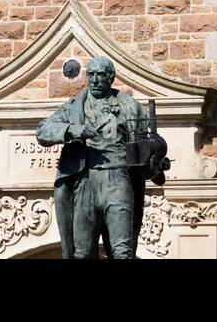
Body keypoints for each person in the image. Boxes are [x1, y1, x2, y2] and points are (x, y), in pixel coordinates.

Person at [35, 55, 147, 259]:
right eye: (91, 75)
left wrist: (153, 158)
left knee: (122, 251)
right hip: (85, 180)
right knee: (82, 252)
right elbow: (43, 131)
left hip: (118, 179)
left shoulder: (130, 107)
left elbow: (145, 144)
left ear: (111, 77)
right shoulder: (73, 107)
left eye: (101, 75)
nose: (95, 80)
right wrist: (72, 130)